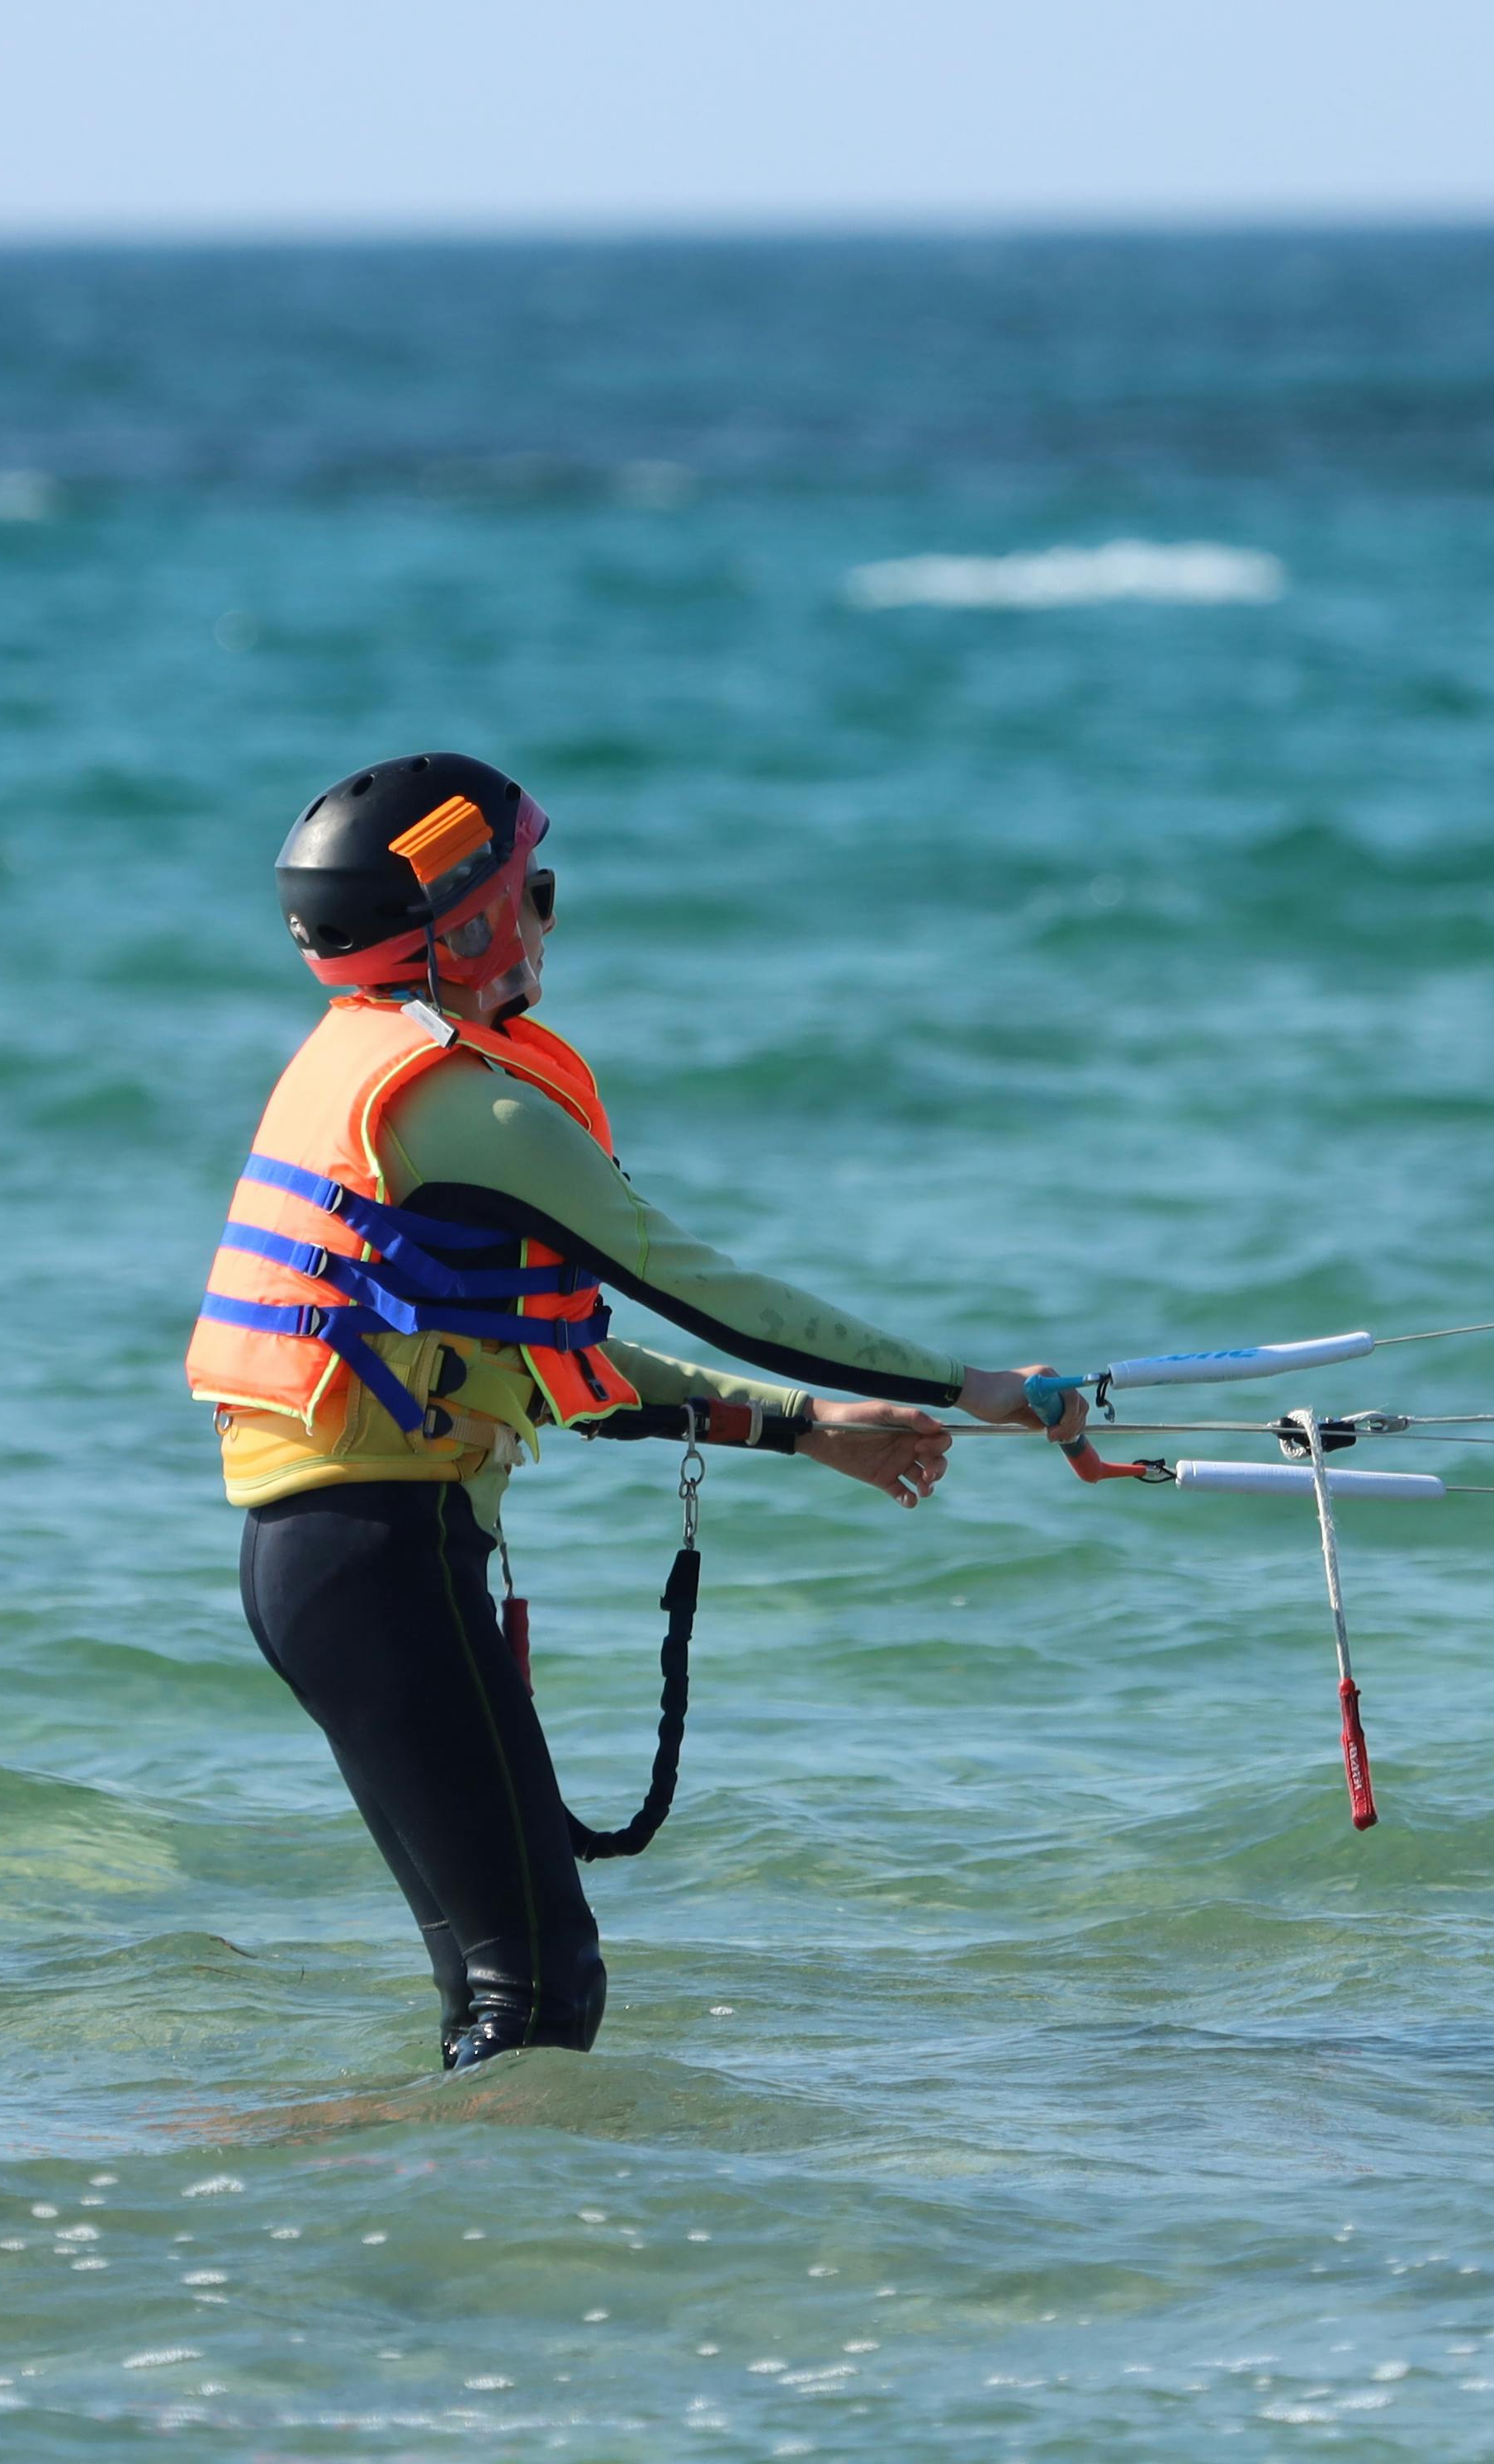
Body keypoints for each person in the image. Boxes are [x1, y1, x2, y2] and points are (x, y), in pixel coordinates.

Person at [191, 750, 1072, 2067]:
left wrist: (809, 1427)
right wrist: (976, 1387)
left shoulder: (360, 1066)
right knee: (538, 1994)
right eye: (536, 891)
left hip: (322, 1564)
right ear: (473, 921)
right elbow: (702, 1289)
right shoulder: (468, 1104)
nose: (548, 918)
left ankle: (414, 2238)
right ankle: (481, 2247)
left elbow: (556, 1365)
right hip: (383, 1563)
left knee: (503, 1987)